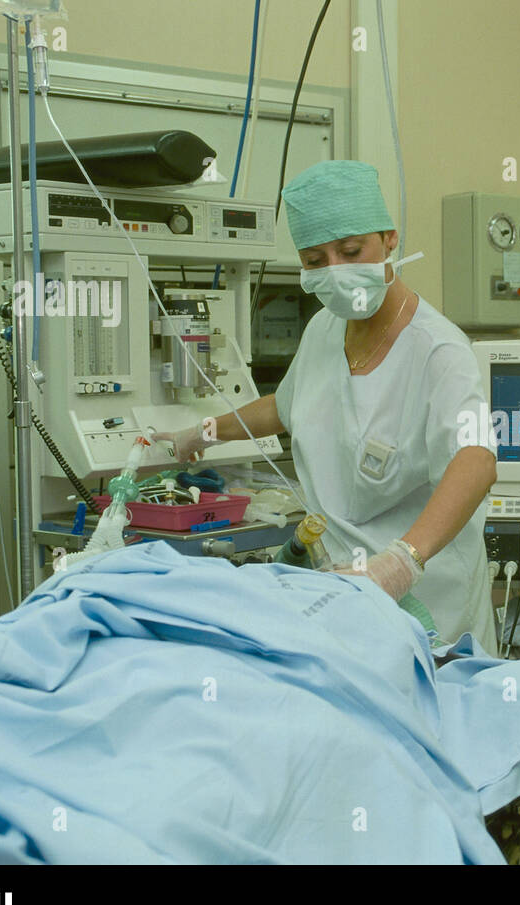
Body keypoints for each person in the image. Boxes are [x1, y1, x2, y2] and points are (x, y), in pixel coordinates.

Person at [157, 160, 498, 653]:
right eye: (315, 260)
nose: (335, 271)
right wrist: (203, 430)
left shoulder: (438, 352)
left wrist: (401, 562)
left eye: (351, 251)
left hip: (427, 605)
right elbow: (288, 405)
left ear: (389, 239)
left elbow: (476, 461)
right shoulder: (324, 329)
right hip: (340, 590)